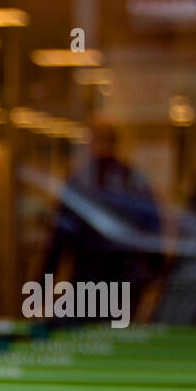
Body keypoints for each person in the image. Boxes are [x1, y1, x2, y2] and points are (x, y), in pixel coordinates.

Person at [40, 118, 163, 322]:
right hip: (115, 274)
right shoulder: (129, 179)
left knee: (80, 331)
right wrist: (153, 271)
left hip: (99, 273)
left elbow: (60, 234)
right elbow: (151, 229)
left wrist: (46, 279)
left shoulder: (84, 180)